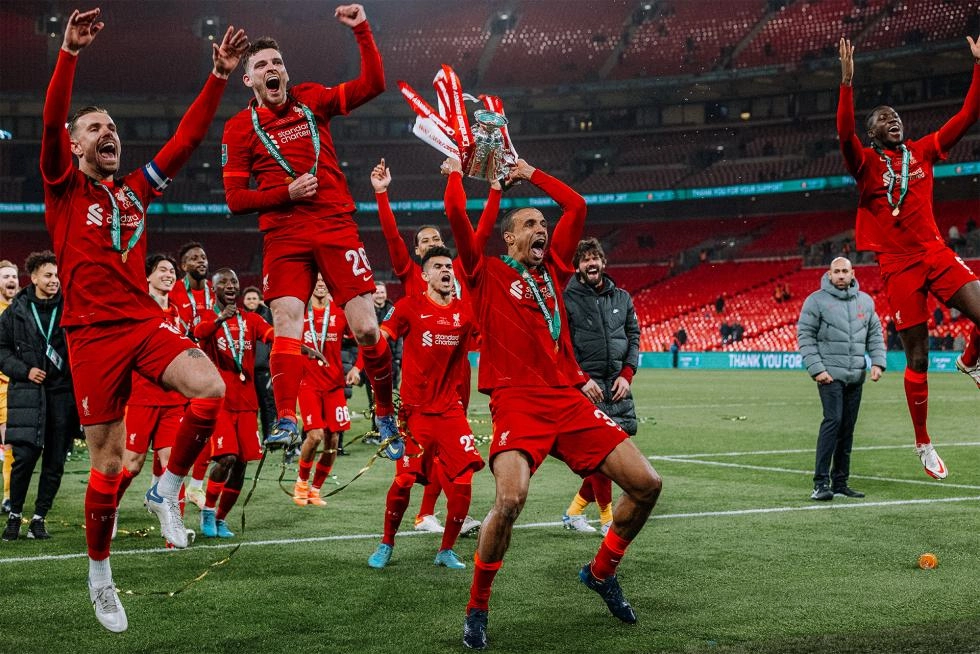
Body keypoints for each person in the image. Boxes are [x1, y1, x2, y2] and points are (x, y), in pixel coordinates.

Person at [41, 9, 247, 631]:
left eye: (113, 128)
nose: (110, 133)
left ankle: (167, 488)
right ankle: (100, 574)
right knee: (106, 466)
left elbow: (184, 142)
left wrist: (216, 77)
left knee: (210, 389)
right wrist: (69, 54)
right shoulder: (63, 188)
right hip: (89, 337)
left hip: (141, 323)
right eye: (96, 128)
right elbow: (52, 121)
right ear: (77, 145)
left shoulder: (135, 190)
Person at [443, 157, 662, 650]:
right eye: (530, 224)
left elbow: (577, 204)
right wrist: (459, 174)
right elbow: (458, 218)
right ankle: (477, 606)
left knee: (647, 484)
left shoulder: (557, 267)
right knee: (510, 500)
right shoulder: (485, 272)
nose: (541, 229)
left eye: (543, 223)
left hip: (567, 400)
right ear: (509, 238)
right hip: (517, 401)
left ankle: (601, 572)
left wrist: (531, 172)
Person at [221, 4, 402, 460]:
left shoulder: (311, 99)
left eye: (277, 63)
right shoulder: (239, 128)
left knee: (365, 330)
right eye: (261, 65)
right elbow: (235, 199)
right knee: (286, 324)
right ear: (249, 80)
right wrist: (286, 191)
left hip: (335, 225)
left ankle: (384, 411)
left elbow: (374, 84)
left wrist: (361, 29)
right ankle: (285, 418)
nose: (272, 69)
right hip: (283, 235)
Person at [837, 35, 980, 479]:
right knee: (917, 358)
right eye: (884, 119)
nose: (893, 120)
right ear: (872, 132)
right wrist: (846, 82)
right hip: (897, 266)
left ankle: (970, 359)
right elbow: (843, 133)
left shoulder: (922, 152)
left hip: (935, 252)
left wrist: (979, 66)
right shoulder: (863, 163)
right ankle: (923, 443)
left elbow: (968, 116)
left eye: (896, 116)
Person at [371, 158, 497, 534]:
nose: (431, 244)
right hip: (420, 377)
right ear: (417, 256)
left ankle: (428, 513)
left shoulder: (454, 273)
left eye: (436, 240)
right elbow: (393, 238)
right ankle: (421, 514)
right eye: (423, 242)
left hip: (457, 372)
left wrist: (494, 191)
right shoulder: (411, 276)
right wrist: (382, 195)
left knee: (451, 453)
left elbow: (481, 234)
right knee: (418, 458)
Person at [365, 246, 484, 571]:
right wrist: (369, 349)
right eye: (438, 266)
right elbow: (383, 338)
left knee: (463, 480)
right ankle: (387, 542)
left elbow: (487, 341)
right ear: (425, 274)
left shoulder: (465, 312)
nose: (446, 271)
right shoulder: (408, 307)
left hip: (450, 412)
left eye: (449, 266)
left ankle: (445, 550)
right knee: (404, 480)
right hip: (414, 414)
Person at [560, 238, 640, 535]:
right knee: (601, 456)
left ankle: (574, 512)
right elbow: (562, 346)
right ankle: (607, 519)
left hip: (617, 387)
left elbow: (634, 337)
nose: (591, 263)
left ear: (603, 262)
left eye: (595, 258)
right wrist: (581, 379)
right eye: (585, 259)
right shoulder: (567, 300)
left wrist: (627, 375)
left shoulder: (622, 297)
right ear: (578, 266)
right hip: (586, 388)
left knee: (607, 457)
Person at [0, 251, 79, 541]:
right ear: (33, 277)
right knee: (24, 457)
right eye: (48, 275)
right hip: (28, 393)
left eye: (57, 275)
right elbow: (1, 350)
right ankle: (14, 516)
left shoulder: (71, 307)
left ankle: (38, 518)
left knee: (55, 461)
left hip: (61, 394)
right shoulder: (16, 310)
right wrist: (24, 370)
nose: (54, 280)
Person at [193, 269, 274, 538]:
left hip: (247, 402)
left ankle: (220, 518)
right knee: (226, 457)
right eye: (224, 282)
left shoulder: (251, 319)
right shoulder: (207, 315)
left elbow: (271, 335)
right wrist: (219, 319)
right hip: (220, 402)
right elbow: (199, 333)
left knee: (241, 464)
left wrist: (296, 345)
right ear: (213, 288)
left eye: (234, 281)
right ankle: (207, 510)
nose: (230, 285)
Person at [797, 257, 886, 501]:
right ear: (829, 273)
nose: (841, 275)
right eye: (836, 271)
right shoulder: (816, 301)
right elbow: (805, 335)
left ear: (852, 273)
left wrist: (877, 362)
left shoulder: (865, 301)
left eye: (845, 271)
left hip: (856, 375)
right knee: (833, 421)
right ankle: (820, 483)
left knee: (847, 429)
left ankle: (840, 482)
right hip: (829, 375)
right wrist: (817, 369)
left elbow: (875, 333)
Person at [115, 255, 188, 537]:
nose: (169, 275)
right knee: (132, 465)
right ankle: (111, 507)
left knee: (173, 465)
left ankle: (172, 525)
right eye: (162, 270)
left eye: (172, 271)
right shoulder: (136, 307)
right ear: (147, 276)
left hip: (172, 399)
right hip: (141, 397)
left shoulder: (179, 312)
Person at [292, 275, 355, 507]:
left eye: (324, 280)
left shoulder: (340, 314)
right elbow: (282, 340)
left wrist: (357, 368)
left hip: (334, 385)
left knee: (333, 439)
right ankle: (301, 482)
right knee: (315, 435)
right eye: (316, 279)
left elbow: (364, 339)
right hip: (308, 384)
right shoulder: (299, 314)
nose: (320, 283)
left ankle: (316, 489)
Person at [242, 285, 276, 446]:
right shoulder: (239, 317)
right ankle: (250, 437)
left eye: (254, 298)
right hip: (245, 370)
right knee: (249, 406)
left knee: (267, 404)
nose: (251, 301)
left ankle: (268, 436)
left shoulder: (267, 315)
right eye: (248, 298)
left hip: (264, 369)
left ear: (260, 300)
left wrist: (265, 306)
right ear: (243, 301)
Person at [0, 259, 19, 514]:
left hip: (12, 387)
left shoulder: (22, 310)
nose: (11, 280)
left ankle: (8, 496)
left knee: (11, 444)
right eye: (5, 276)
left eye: (14, 276)